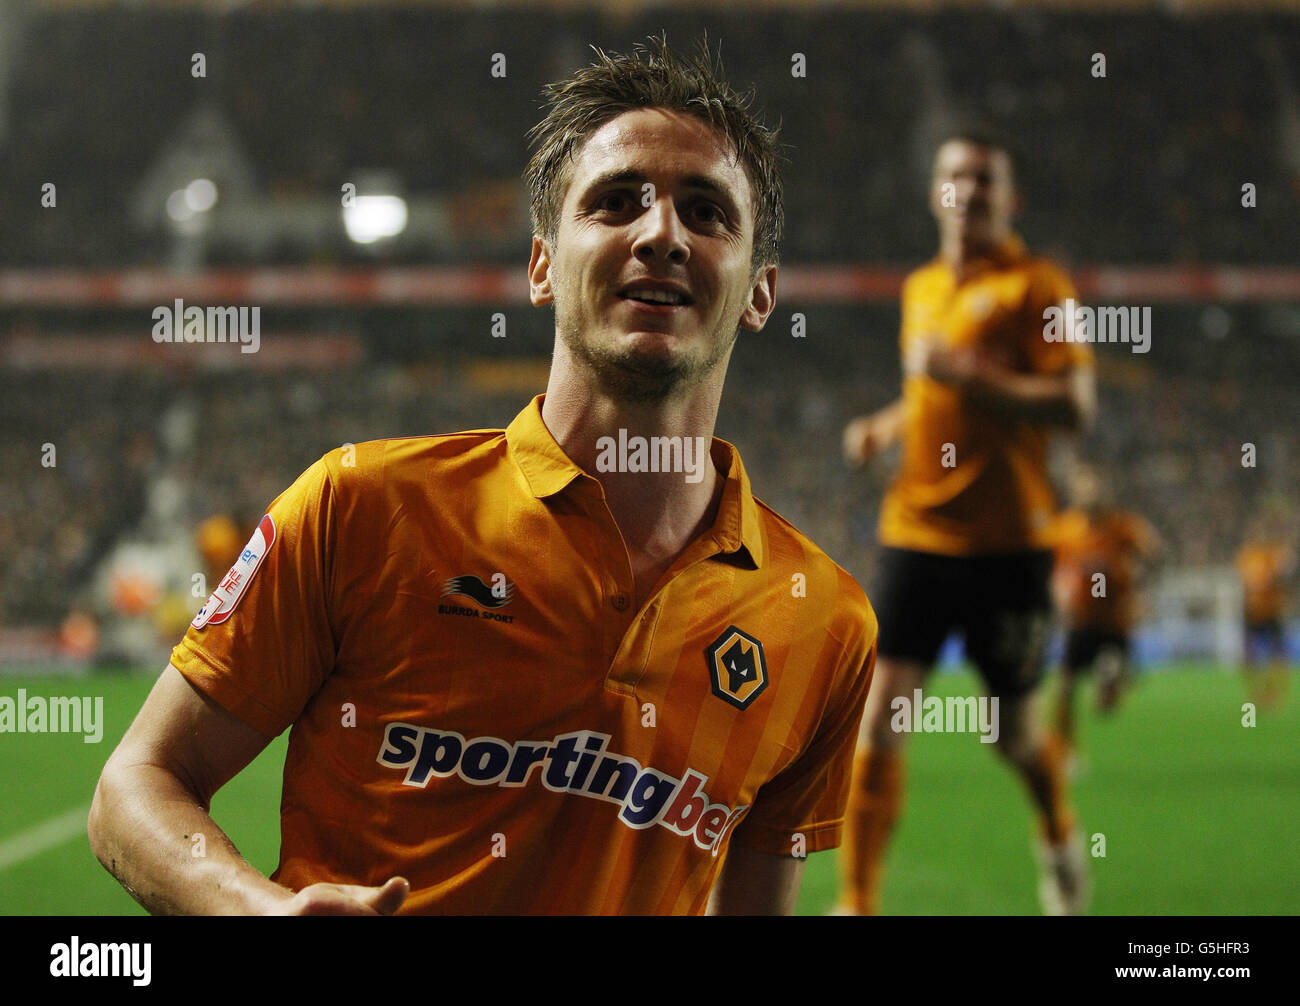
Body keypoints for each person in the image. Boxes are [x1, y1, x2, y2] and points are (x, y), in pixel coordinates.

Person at [88, 36, 877, 916]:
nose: (662, 234)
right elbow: (138, 782)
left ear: (761, 291)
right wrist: (252, 909)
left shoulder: (825, 621)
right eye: (617, 203)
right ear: (542, 264)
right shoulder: (362, 508)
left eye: (707, 212)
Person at [836, 131, 1096, 916]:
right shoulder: (921, 288)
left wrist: (972, 374)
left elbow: (1076, 407)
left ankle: (1055, 829)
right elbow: (930, 395)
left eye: (985, 178)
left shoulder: (1040, 287)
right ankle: (858, 903)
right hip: (916, 536)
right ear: (935, 193)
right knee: (878, 727)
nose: (969, 189)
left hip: (1010, 547)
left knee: (1011, 737)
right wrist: (887, 425)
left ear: (1009, 199)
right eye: (955, 175)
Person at [1049, 462, 1162, 753]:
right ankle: (1066, 750)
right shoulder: (1066, 530)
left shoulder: (1123, 526)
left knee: (1108, 699)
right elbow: (1054, 569)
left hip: (1115, 620)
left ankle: (1111, 678)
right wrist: (1059, 595)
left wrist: (1142, 591)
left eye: (1093, 489)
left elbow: (1155, 555)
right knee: (1065, 686)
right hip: (1082, 621)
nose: (1088, 495)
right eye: (1082, 489)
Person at [1236, 512, 1294, 710]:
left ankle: (1276, 694)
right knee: (1249, 654)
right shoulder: (1249, 555)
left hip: (1272, 611)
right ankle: (1256, 691)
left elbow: (1285, 576)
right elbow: (1249, 581)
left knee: (1278, 654)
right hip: (1252, 612)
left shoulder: (1277, 554)